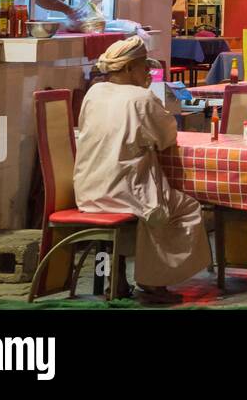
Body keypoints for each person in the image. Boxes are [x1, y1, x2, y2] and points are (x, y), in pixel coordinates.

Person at [74, 37, 211, 303]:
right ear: (127, 69)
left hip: (88, 188)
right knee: (182, 209)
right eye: (143, 67)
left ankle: (118, 278)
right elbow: (166, 138)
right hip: (123, 190)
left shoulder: (94, 93)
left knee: (154, 202)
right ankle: (152, 282)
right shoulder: (142, 98)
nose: (148, 73)